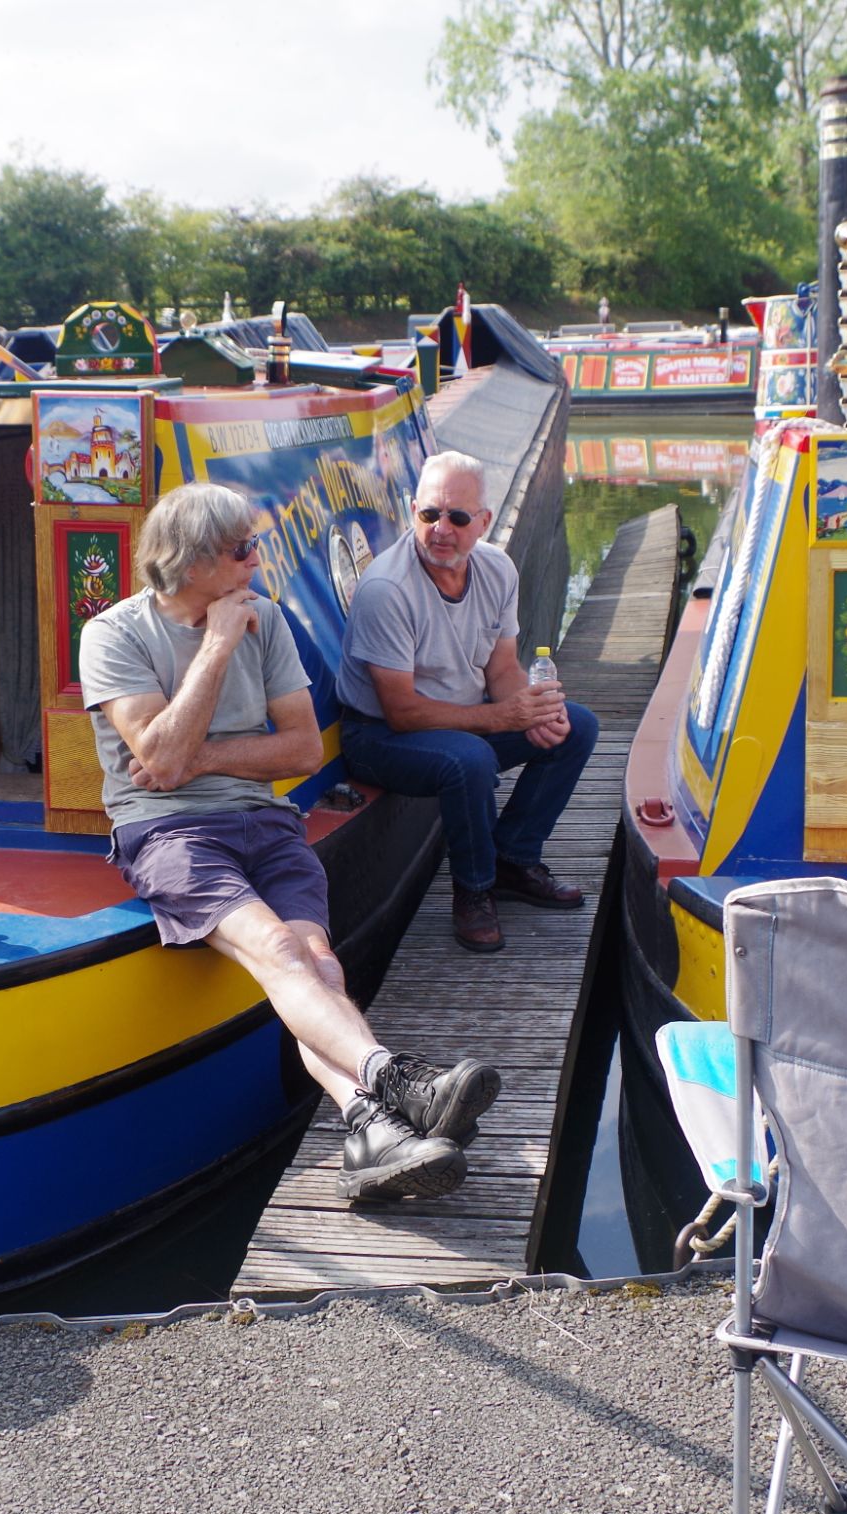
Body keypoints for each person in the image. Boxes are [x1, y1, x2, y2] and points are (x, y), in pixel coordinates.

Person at [79, 482, 501, 1203]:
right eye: (243, 550)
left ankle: (369, 1128)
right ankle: (396, 1082)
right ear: (193, 561)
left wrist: (199, 756)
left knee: (318, 965)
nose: (256, 561)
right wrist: (214, 646)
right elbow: (158, 758)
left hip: (265, 823)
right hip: (170, 833)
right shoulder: (114, 635)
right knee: (279, 952)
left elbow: (301, 748)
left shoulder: (268, 621)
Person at [336, 452, 599, 952]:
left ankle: (514, 861)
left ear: (484, 521)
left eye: (457, 517)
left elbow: (501, 670)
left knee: (577, 726)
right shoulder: (386, 590)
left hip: (460, 717)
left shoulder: (498, 568)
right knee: (471, 760)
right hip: (380, 734)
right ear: (412, 510)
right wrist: (503, 717)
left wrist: (534, 711)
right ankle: (473, 891)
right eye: (429, 514)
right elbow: (402, 711)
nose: (440, 529)